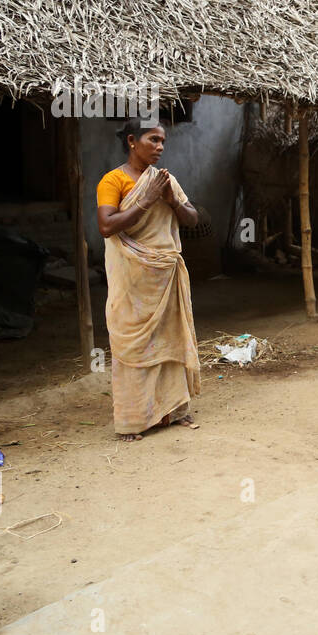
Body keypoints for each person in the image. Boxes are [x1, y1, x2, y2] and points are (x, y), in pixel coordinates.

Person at [97, 120, 202, 442]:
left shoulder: (165, 181)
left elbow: (193, 219)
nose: (159, 147)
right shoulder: (112, 180)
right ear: (132, 141)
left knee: (168, 338)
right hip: (132, 277)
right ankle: (134, 419)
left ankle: (173, 410)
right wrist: (146, 200)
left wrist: (170, 199)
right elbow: (106, 226)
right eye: (152, 140)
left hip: (164, 273)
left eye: (162, 141)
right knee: (134, 344)